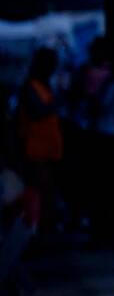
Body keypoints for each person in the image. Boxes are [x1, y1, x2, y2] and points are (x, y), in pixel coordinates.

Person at [16, 46, 64, 231]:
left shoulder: (43, 86)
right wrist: (57, 101)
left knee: (46, 190)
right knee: (38, 190)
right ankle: (35, 228)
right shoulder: (31, 87)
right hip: (34, 149)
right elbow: (36, 111)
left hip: (47, 149)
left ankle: (43, 227)